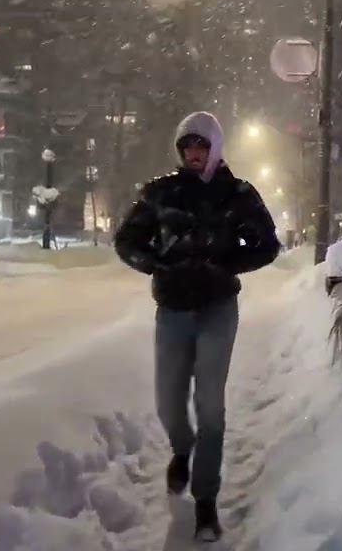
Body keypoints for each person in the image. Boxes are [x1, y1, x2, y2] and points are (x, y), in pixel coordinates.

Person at [113, 111, 280, 542]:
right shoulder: (161, 193)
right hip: (172, 309)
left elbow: (267, 245)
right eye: (187, 146)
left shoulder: (238, 194)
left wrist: (227, 263)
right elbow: (126, 240)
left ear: (216, 148)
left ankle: (206, 500)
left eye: (201, 146)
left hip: (217, 309)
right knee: (168, 400)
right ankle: (181, 450)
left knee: (211, 405)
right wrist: (157, 264)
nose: (194, 154)